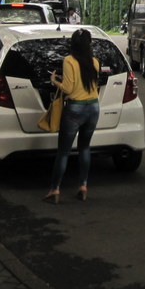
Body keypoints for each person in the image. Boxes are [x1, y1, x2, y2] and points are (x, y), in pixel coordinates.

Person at [44, 28, 101, 203]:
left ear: (73, 44)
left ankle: (55, 190)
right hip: (93, 107)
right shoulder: (95, 62)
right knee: (85, 147)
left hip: (75, 108)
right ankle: (83, 186)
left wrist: (55, 81)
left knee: (63, 152)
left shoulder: (69, 61)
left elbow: (68, 89)